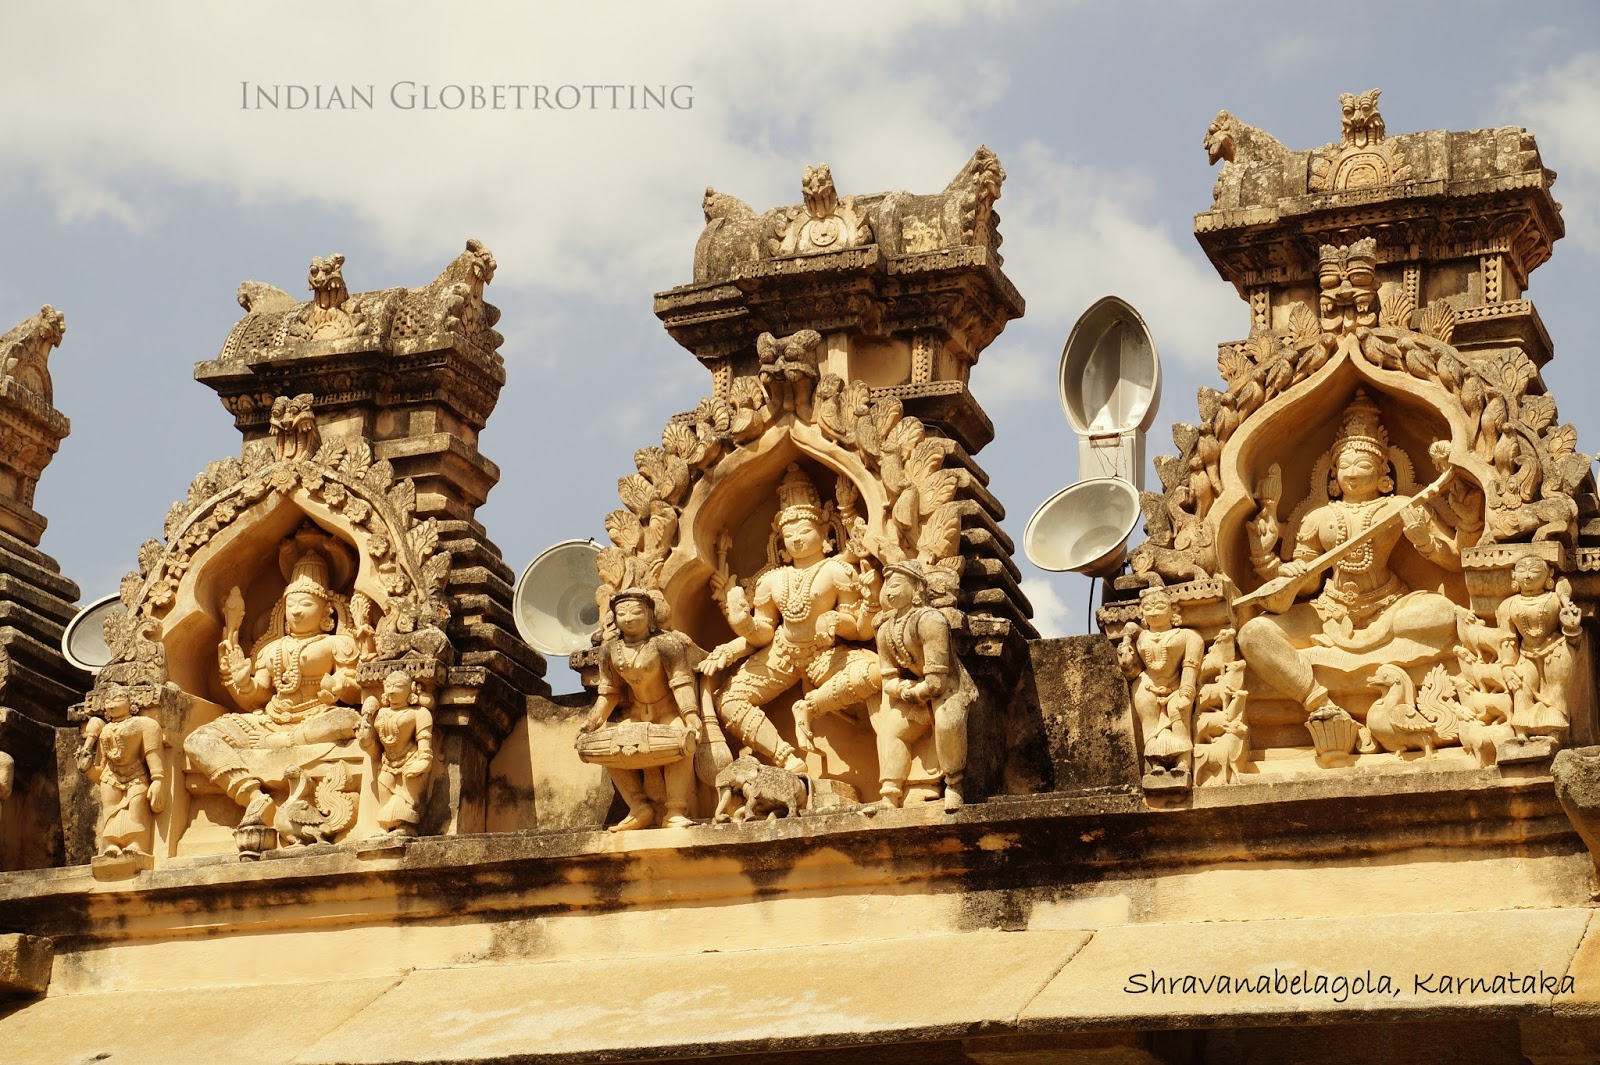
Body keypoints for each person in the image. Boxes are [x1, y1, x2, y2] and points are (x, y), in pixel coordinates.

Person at [1237, 391, 1459, 725]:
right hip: (1330, 611)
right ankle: (1315, 699)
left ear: (1383, 470)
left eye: (1363, 464)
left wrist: (1424, 541)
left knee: (1444, 614)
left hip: (1388, 608)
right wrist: (1274, 564)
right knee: (1253, 634)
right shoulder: (1318, 517)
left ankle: (1366, 662)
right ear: (1333, 473)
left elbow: (1454, 559)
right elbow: (1309, 582)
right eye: (1345, 465)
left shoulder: (1398, 507)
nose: (1353, 472)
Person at [699, 465, 880, 773]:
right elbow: (764, 631)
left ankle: (810, 707)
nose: (796, 540)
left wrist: (836, 620)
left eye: (805, 531)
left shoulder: (836, 571)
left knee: (877, 672)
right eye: (789, 534)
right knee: (728, 700)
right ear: (779, 541)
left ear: (825, 533)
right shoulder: (772, 579)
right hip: (781, 654)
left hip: (825, 655)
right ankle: (784, 756)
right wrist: (743, 622)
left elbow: (860, 630)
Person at [185, 547, 362, 826]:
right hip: (270, 721)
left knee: (347, 721)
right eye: (291, 605)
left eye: (305, 604)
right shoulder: (271, 649)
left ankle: (280, 746)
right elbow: (260, 696)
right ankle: (253, 798)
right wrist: (243, 683)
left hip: (318, 718)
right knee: (198, 740)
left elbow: (356, 685)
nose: (296, 612)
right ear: (282, 608)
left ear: (327, 609)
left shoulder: (337, 644)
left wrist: (338, 686)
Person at [582, 589, 701, 831]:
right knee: (609, 745)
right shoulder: (609, 650)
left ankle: (675, 810)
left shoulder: (665, 644)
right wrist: (591, 723)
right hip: (637, 713)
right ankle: (638, 807)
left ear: (649, 615)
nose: (629, 618)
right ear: (614, 618)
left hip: (666, 710)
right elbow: (609, 693)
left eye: (636, 612)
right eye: (621, 613)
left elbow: (681, 683)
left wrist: (691, 716)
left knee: (682, 739)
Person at [871, 560, 975, 812]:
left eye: (896, 584)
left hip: (951, 688)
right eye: (886, 585)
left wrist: (913, 692)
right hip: (917, 690)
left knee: (947, 722)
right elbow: (887, 680)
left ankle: (954, 785)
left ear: (916, 588)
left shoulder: (930, 620)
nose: (889, 591)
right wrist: (905, 690)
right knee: (891, 729)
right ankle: (890, 795)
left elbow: (937, 682)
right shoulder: (885, 629)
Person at [1118, 588, 1205, 787]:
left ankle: (1183, 763)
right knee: (1150, 725)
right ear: (1141, 613)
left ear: (1172, 609)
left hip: (1177, 684)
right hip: (1146, 685)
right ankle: (1154, 765)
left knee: (1179, 719)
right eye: (1148, 607)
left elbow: (1191, 666)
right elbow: (1133, 671)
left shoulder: (1189, 636)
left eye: (1160, 606)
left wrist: (1186, 691)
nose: (1154, 611)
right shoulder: (1140, 638)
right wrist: (1126, 657)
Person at [77, 685, 166, 857]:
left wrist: (158, 779)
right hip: (110, 776)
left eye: (118, 699)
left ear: (130, 702)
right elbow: (101, 767)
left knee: (136, 808)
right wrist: (87, 769)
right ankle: (112, 845)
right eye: (108, 700)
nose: (111, 704)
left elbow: (152, 752)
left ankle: (136, 844)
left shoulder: (144, 724)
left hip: (137, 775)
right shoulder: (104, 730)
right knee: (110, 811)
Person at [358, 670, 434, 836]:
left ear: (411, 689)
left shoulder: (420, 713)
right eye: (389, 686)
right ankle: (385, 828)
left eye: (398, 686)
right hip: (386, 763)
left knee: (403, 802)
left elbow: (425, 744)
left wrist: (423, 763)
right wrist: (366, 742)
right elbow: (376, 751)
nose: (392, 690)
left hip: (410, 762)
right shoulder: (380, 714)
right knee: (385, 800)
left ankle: (404, 828)